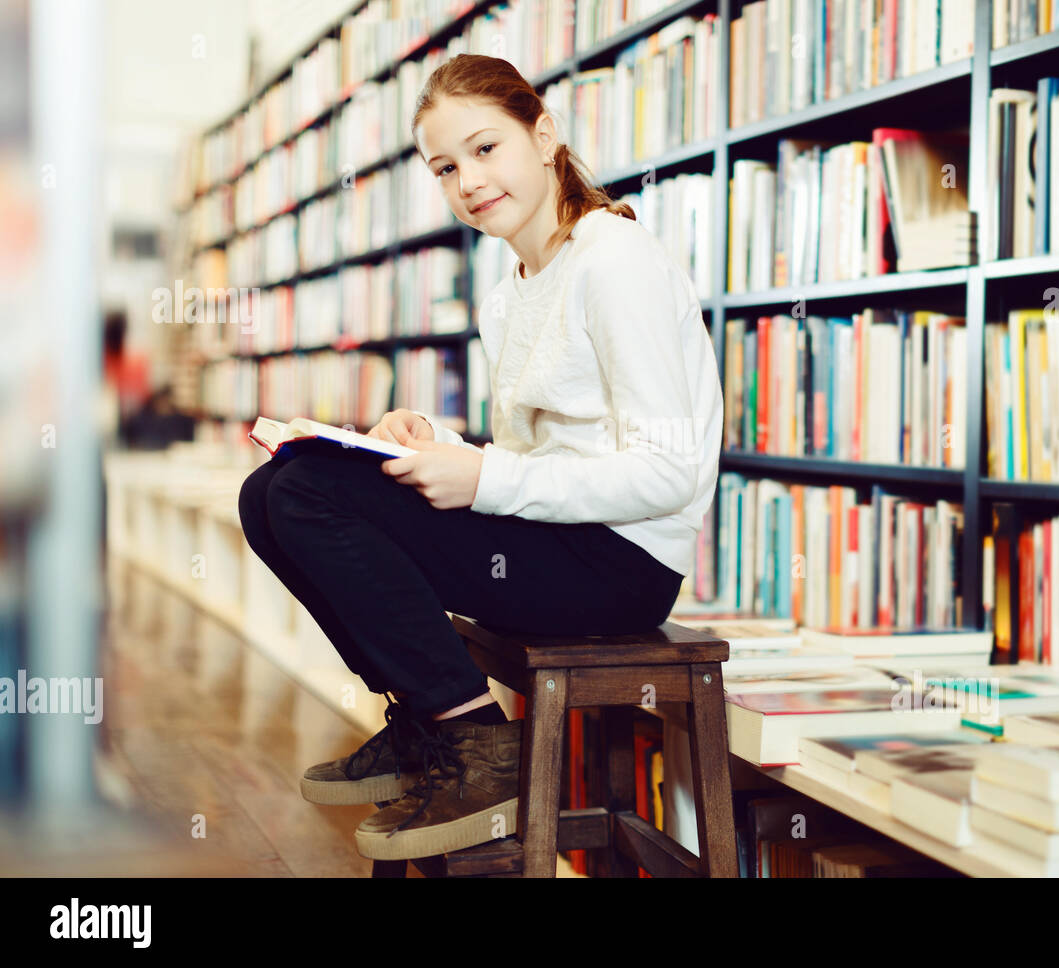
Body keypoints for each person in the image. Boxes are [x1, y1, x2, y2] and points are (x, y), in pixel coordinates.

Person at [237, 53, 724, 863]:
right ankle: (427, 719)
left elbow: (672, 473)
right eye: (445, 167)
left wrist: (486, 477)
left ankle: (471, 741)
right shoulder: (510, 295)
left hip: (623, 566)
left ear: (544, 136)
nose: (467, 181)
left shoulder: (615, 262)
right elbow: (539, 460)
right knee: (272, 490)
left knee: (308, 490)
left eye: (485, 149)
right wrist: (441, 447)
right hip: (557, 543)